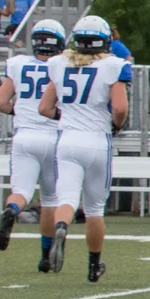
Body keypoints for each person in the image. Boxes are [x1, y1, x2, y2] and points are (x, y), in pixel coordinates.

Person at [40, 15, 129, 283]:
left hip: (67, 139)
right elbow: (120, 108)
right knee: (94, 209)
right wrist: (116, 125)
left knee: (66, 199)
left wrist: (67, 117)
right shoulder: (114, 66)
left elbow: (44, 107)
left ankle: (61, 226)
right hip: (96, 140)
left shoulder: (58, 64)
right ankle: (93, 265)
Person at [0, 18, 67, 263]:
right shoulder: (63, 65)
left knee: (21, 192)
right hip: (54, 137)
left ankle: (12, 211)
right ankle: (45, 256)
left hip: (24, 136)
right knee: (50, 201)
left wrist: (21, 111)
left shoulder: (18, 64)